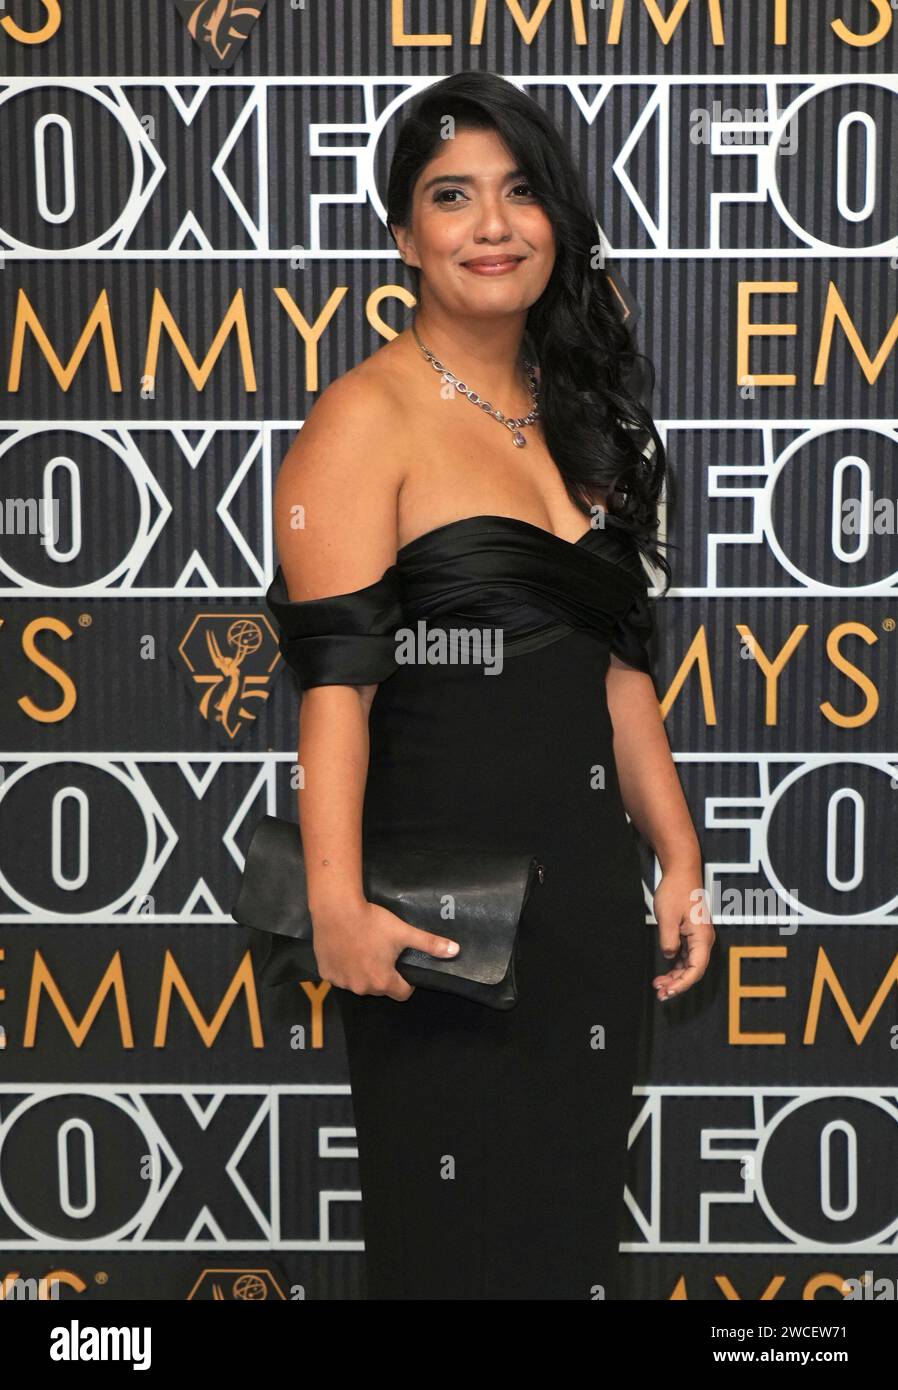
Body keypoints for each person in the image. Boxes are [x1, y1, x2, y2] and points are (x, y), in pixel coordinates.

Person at [265, 70, 714, 1300]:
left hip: (582, 917)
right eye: (451, 196)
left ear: (555, 220)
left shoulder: (586, 420)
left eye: (520, 191)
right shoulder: (363, 419)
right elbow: (333, 691)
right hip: (440, 927)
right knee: (452, 1256)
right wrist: (336, 907)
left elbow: (618, 673)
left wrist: (674, 856)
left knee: (567, 1252)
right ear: (405, 237)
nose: (493, 224)